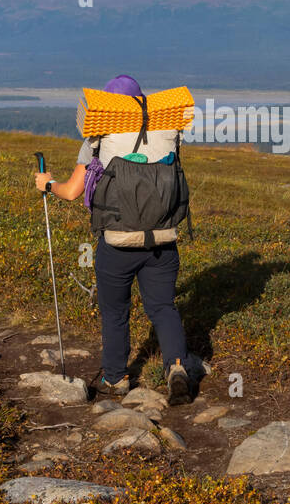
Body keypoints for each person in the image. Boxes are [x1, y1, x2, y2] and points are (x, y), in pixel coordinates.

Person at [34, 74, 193, 405]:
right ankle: (177, 367)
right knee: (163, 306)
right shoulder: (169, 132)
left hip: (117, 242)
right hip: (163, 239)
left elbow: (73, 191)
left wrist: (47, 184)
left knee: (116, 310)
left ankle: (116, 378)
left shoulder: (99, 136)